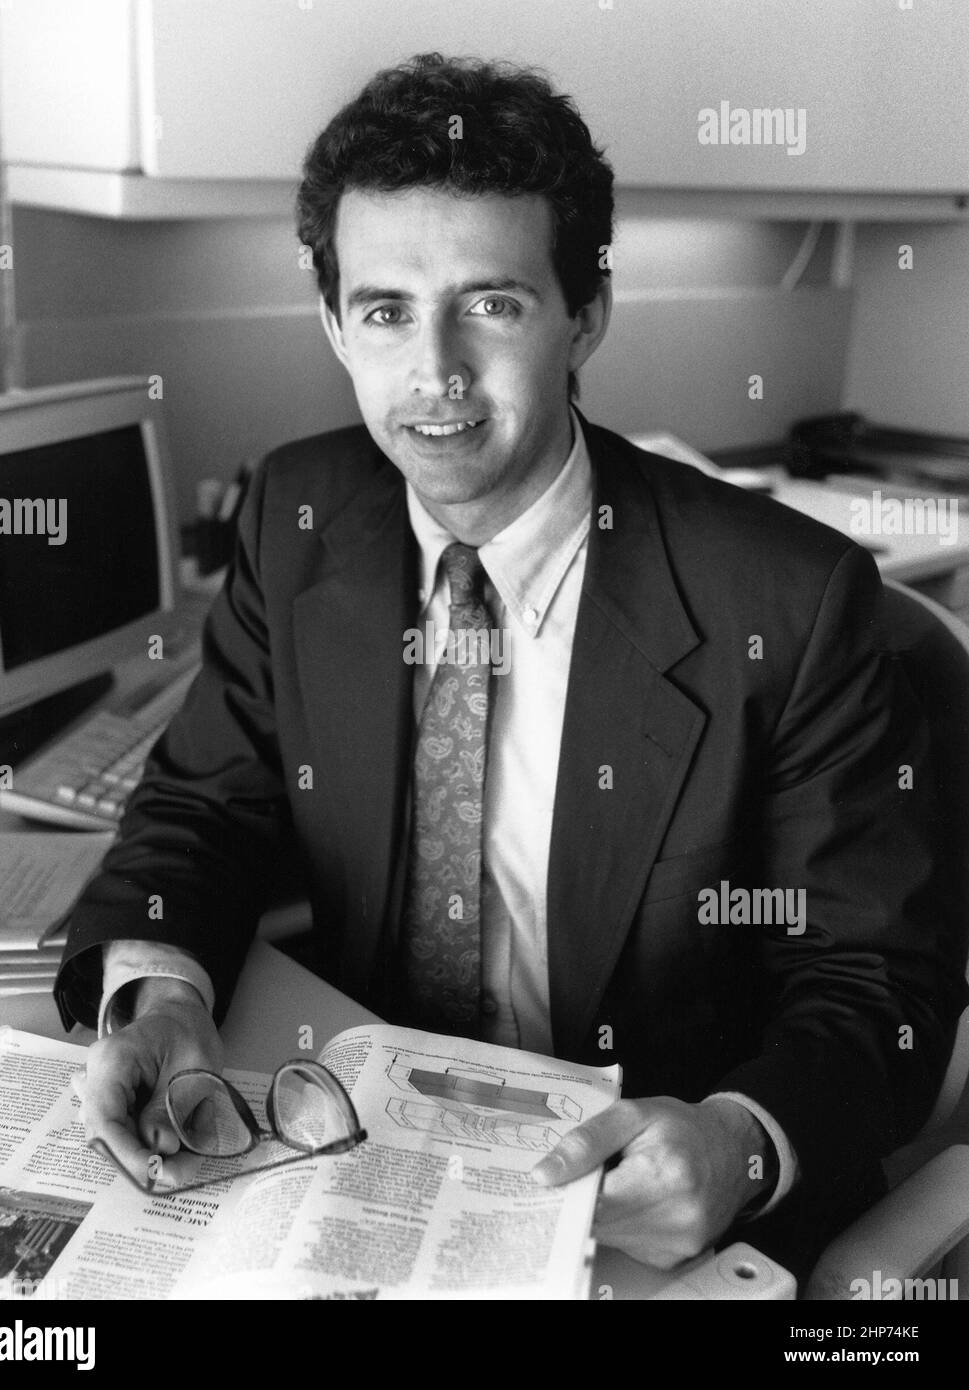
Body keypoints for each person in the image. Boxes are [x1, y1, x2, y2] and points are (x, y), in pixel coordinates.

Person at [57, 53, 964, 1286]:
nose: (431, 372)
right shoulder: (299, 516)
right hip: (352, 1165)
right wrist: (157, 993)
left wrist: (742, 1144)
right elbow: (203, 808)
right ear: (333, 322)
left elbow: (876, 983)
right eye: (383, 311)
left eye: (489, 304)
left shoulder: (787, 599)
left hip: (640, 1216)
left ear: (583, 312)